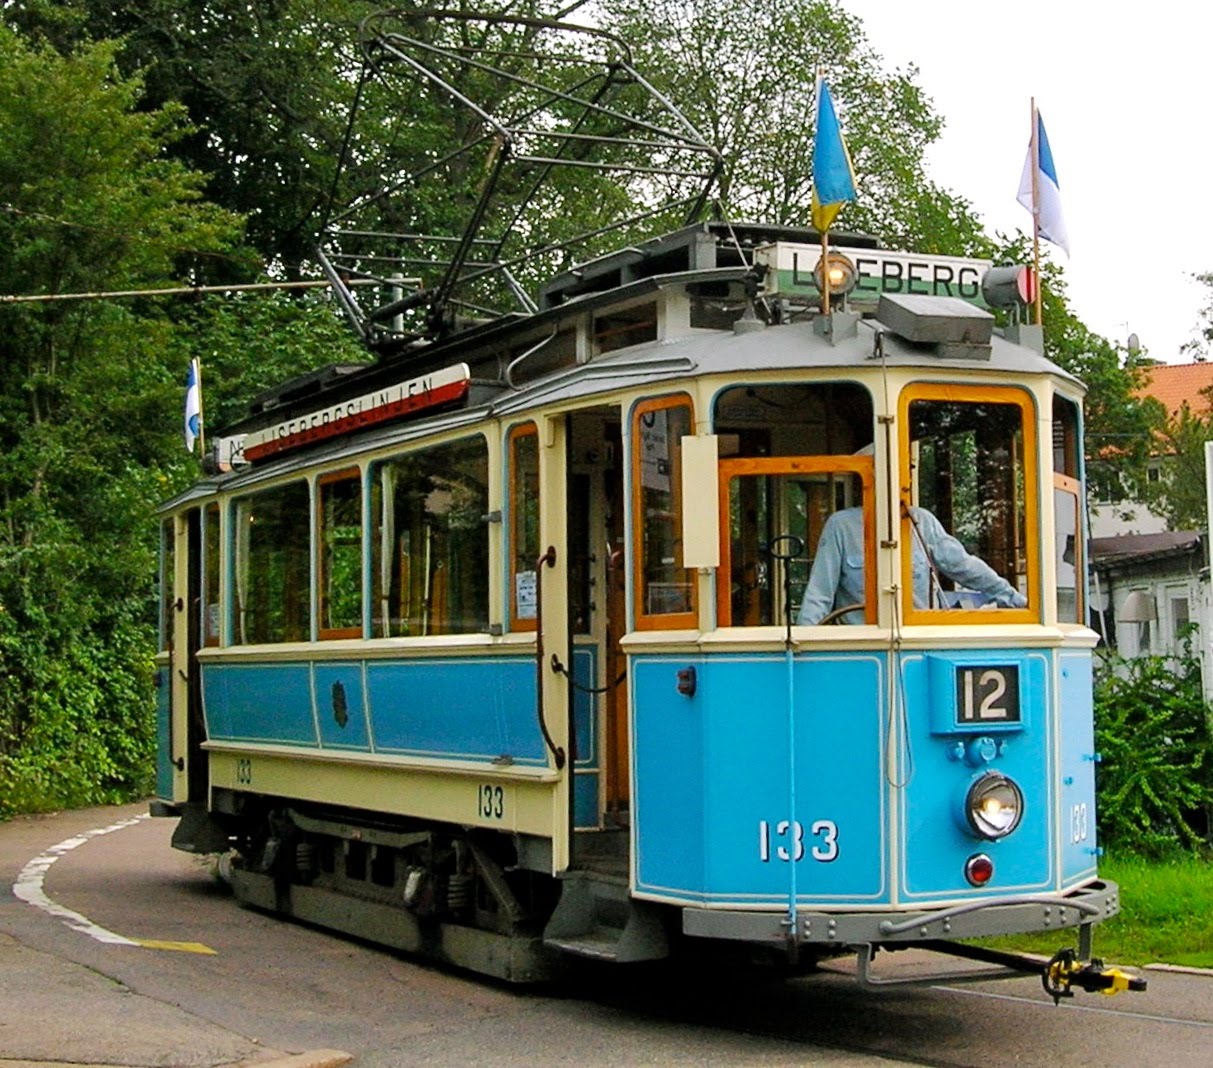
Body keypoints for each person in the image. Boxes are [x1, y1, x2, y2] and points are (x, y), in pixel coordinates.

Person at [797, 505, 1027, 625]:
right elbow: (820, 593)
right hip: (860, 645)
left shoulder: (921, 521)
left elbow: (964, 566)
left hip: (918, 639)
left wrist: (1016, 600)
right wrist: (802, 644)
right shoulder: (841, 525)